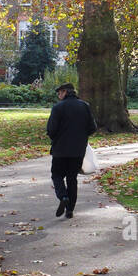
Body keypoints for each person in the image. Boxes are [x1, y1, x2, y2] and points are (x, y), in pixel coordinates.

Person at [46, 82, 98, 220]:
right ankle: (70, 210)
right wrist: (81, 137)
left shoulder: (58, 108)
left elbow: (51, 130)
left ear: (64, 92)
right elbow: (92, 127)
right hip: (78, 150)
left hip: (60, 149)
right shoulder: (84, 106)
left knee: (56, 175)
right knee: (72, 178)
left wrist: (56, 138)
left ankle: (63, 196)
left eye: (59, 93)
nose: (58, 96)